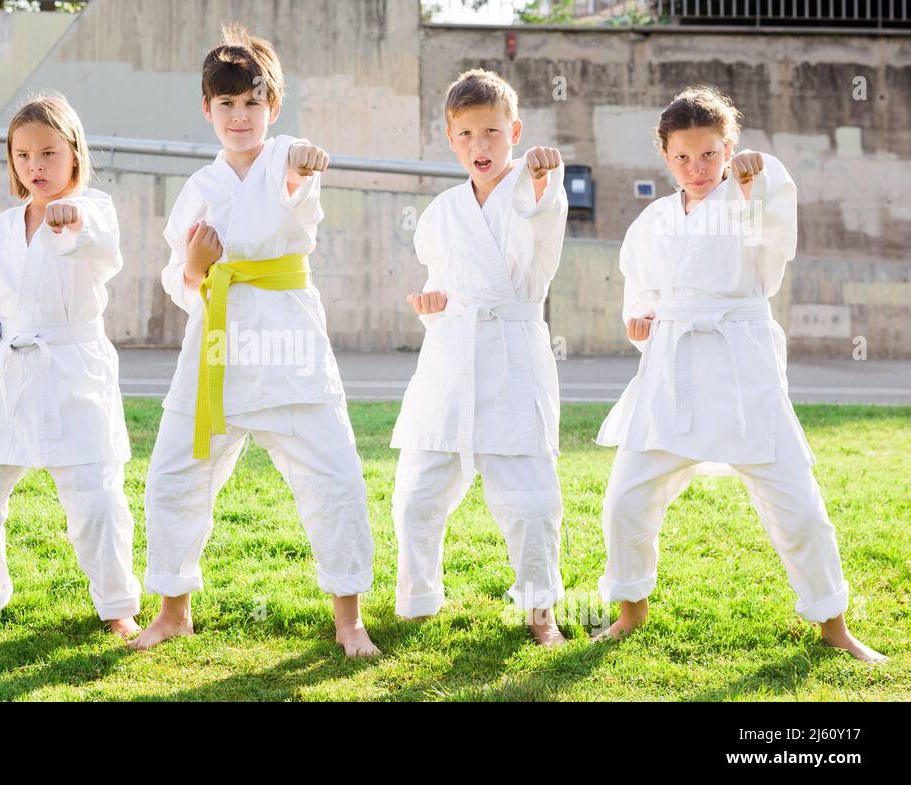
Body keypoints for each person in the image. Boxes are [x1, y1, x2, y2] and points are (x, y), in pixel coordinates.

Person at [594, 86, 886, 663]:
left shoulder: (750, 197)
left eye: (709, 155)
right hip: (672, 372)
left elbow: (775, 229)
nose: (696, 168)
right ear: (665, 157)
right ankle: (630, 609)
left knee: (798, 505)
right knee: (626, 500)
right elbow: (642, 294)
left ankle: (833, 624)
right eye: (681, 157)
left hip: (740, 366)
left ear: (729, 151)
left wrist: (760, 178)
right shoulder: (653, 221)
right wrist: (643, 320)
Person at [128, 24, 378, 657]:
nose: (241, 117)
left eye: (253, 103)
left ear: (273, 107)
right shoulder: (199, 188)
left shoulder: (286, 157)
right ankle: (172, 609)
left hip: (289, 340)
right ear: (207, 109)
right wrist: (194, 267)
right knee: (173, 477)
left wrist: (301, 164)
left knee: (334, 477)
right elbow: (178, 279)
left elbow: (297, 168)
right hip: (215, 345)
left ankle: (349, 617)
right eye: (227, 104)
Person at [0, 94, 142, 637]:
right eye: (23, 154)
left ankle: (118, 606)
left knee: (97, 503)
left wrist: (71, 221)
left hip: (71, 374)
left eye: (49, 153)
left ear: (74, 154)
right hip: (7, 377)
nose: (36, 166)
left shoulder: (92, 209)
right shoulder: (2, 227)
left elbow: (102, 251)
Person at [390, 69, 570, 645]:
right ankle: (418, 599)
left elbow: (543, 235)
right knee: (416, 494)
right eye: (465, 135)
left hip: (513, 354)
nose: (480, 146)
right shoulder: (442, 211)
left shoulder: (535, 186)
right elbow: (439, 286)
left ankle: (541, 611)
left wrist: (544, 178)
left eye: (491, 131)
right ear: (451, 139)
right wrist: (431, 305)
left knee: (532, 501)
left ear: (513, 131)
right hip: (449, 359)